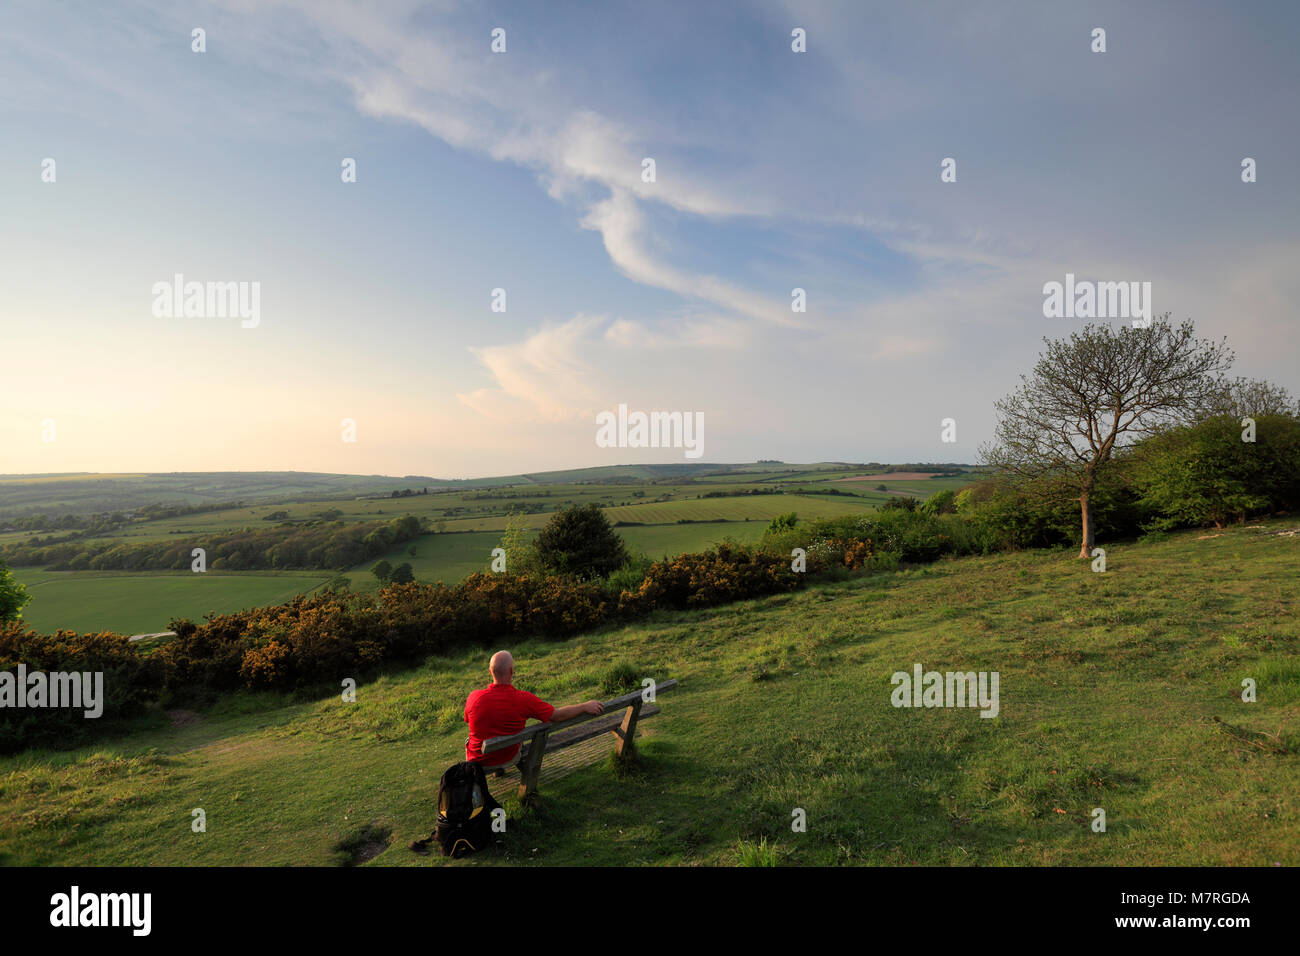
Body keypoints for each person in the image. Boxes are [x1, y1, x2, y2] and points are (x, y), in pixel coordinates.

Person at [464, 650, 603, 767]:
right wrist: (585, 706)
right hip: (508, 757)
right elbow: (557, 716)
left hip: (478, 761)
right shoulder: (524, 699)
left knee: (472, 738)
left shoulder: (473, 697)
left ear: (490, 671)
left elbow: (468, 721)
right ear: (512, 671)